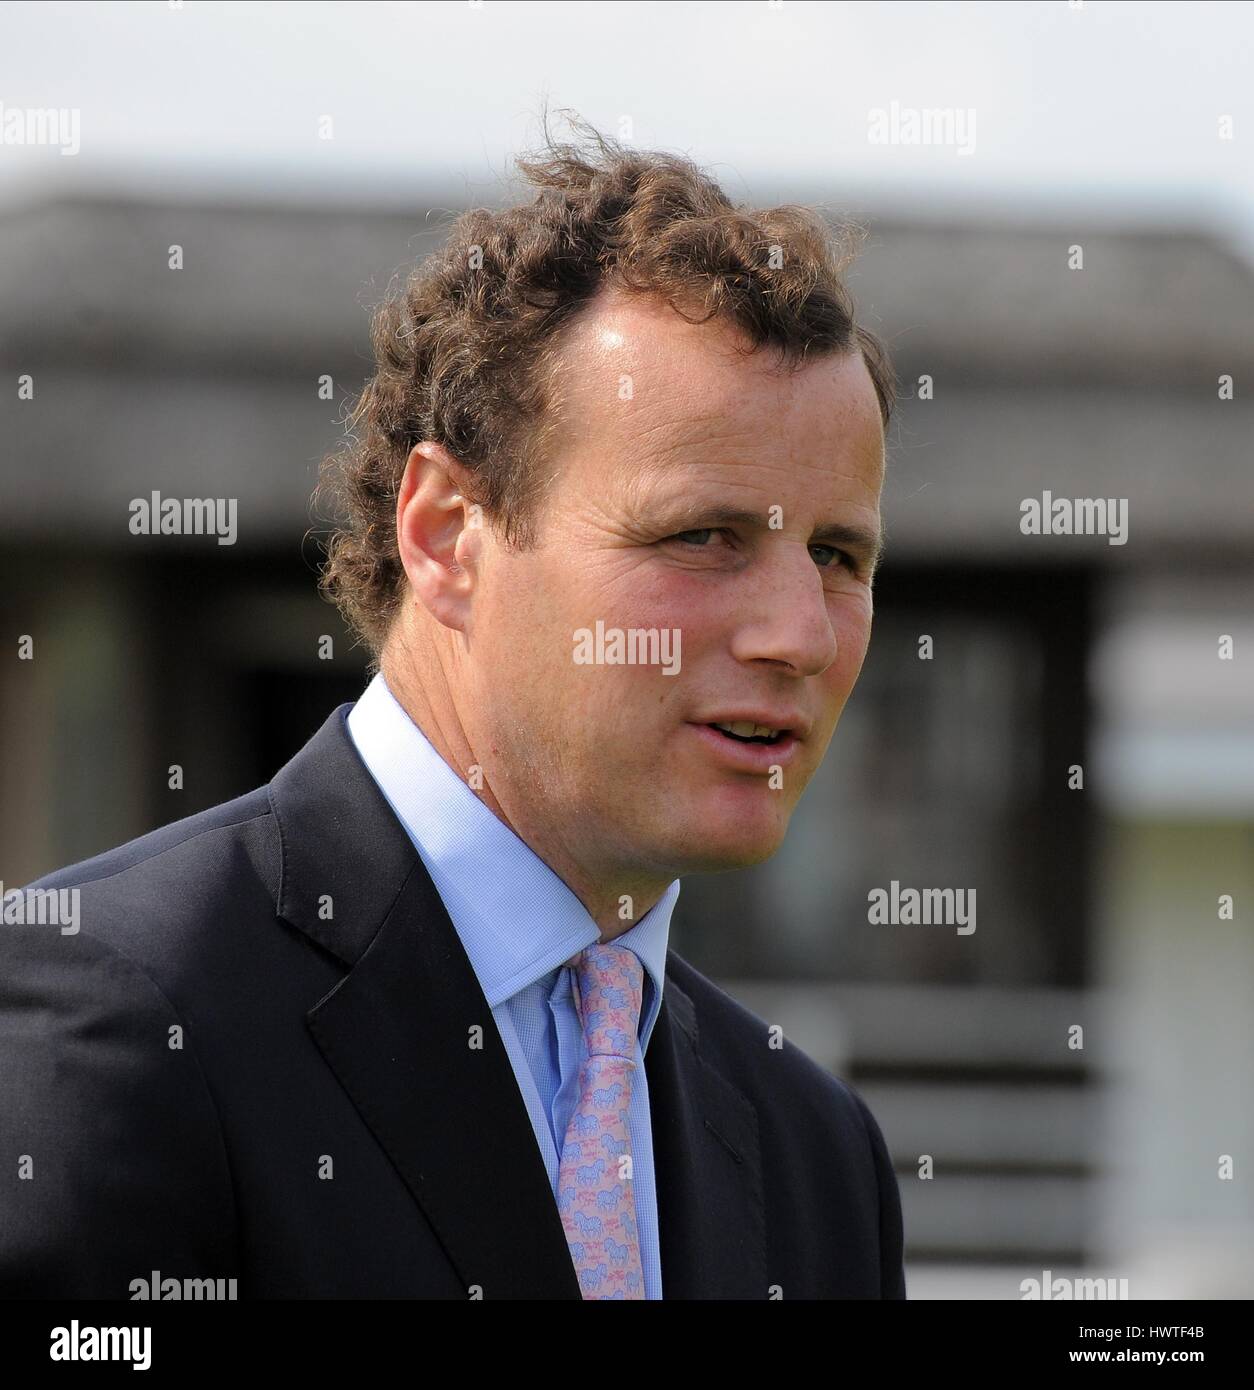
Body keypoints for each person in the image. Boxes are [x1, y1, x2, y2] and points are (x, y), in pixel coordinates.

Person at [0, 116, 904, 1299]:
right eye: (702, 536)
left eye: (839, 554)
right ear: (445, 536)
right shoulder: (109, 1019)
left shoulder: (815, 1152)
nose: (798, 632)